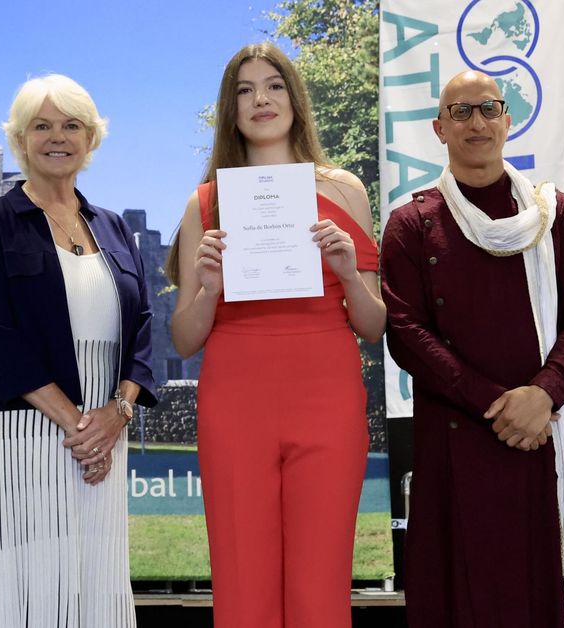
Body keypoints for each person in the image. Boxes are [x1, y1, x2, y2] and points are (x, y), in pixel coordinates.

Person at [380, 70, 564, 627]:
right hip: (460, 439)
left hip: (549, 434)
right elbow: (407, 335)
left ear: (508, 120)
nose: (477, 122)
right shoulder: (411, 223)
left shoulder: (553, 214)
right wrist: (496, 403)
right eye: (461, 112)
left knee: (552, 593)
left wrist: (546, 394)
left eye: (488, 108)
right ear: (439, 129)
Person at [167, 42, 385, 627]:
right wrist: (210, 287)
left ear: (294, 97)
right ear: (230, 109)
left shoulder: (346, 191)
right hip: (235, 401)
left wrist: (347, 273)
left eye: (273, 85)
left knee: (320, 586)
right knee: (242, 585)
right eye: (244, 89)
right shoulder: (205, 203)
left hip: (327, 397)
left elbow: (373, 324)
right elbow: (185, 338)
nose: (260, 99)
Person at [0, 74, 156, 627]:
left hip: (106, 425)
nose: (58, 137)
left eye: (72, 125)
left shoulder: (114, 227)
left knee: (96, 571)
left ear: (91, 139)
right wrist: (80, 429)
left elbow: (141, 327)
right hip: (27, 425)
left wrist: (116, 415)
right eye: (41, 126)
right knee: (28, 576)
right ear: (20, 140)